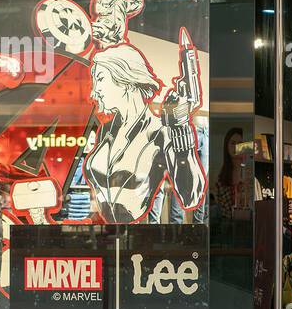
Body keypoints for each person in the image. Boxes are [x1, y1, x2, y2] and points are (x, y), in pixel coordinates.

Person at [84, 43, 206, 223]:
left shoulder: (160, 133)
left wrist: (180, 126)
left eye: (100, 79)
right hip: (103, 232)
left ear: (125, 79)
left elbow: (191, 196)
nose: (95, 92)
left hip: (132, 233)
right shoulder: (108, 130)